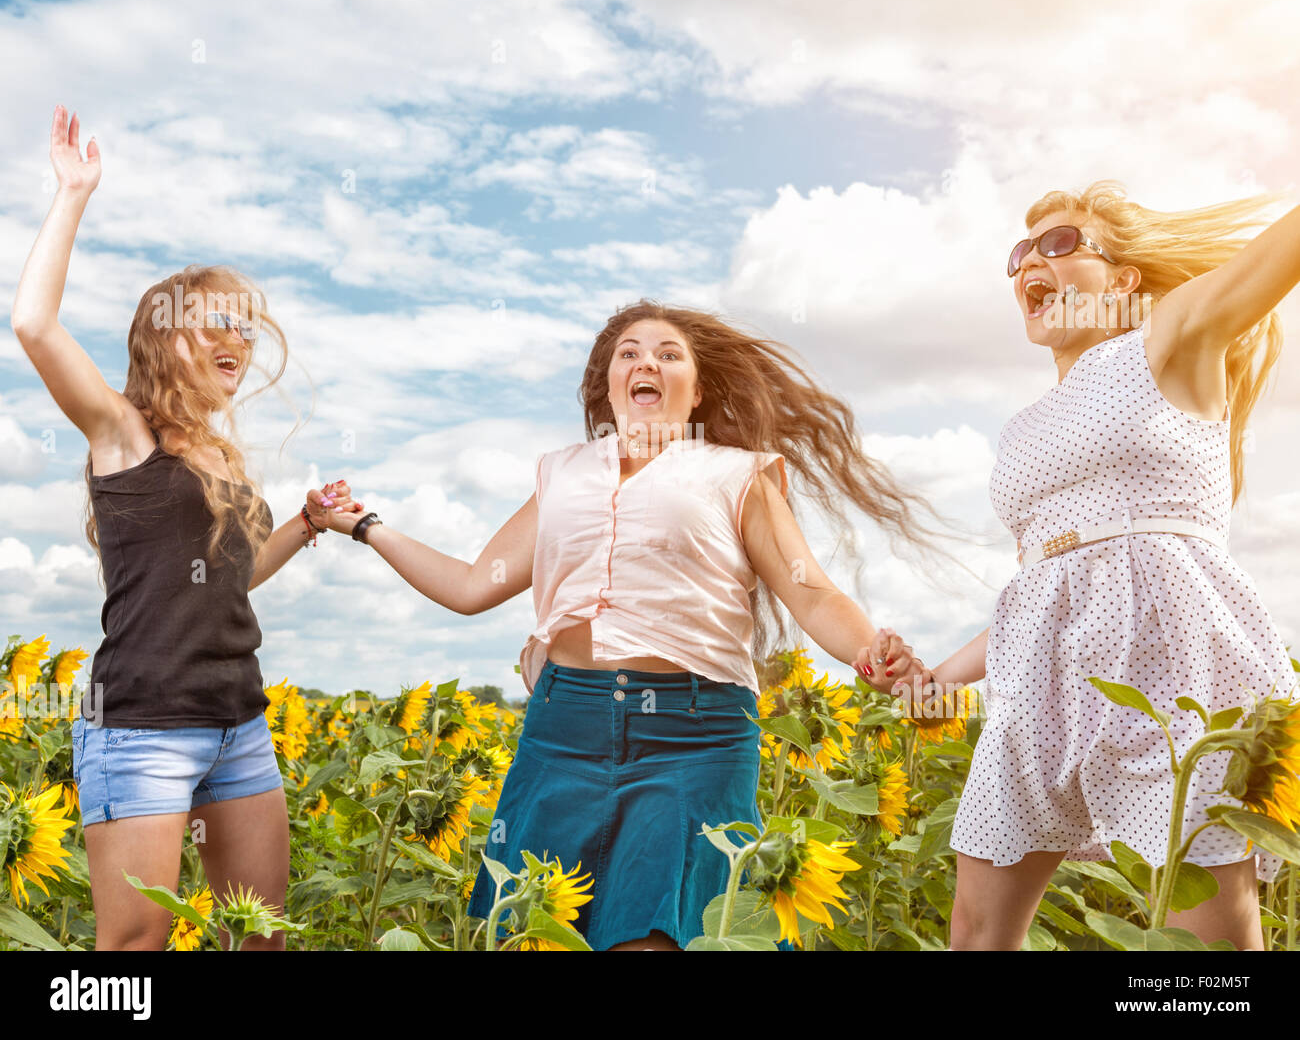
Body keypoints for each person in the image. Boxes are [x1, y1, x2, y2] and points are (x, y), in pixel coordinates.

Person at [318, 299, 942, 950]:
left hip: (693, 736)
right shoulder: (562, 473)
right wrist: (365, 526)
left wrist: (871, 653)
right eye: (629, 352)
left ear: (697, 390)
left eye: (669, 353)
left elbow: (810, 589)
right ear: (609, 384)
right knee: (540, 931)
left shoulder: (736, 473)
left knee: (655, 938)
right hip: (563, 729)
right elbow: (473, 584)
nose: (647, 360)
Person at [877, 181, 1299, 950]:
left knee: (1203, 937)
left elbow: (1277, 254)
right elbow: (1040, 582)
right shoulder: (1023, 429)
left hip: (1175, 662)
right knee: (975, 929)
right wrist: (937, 678)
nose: (1030, 262)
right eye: (1020, 253)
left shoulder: (1170, 338)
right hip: (1041, 678)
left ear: (1125, 278)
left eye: (1061, 243)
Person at [10, 106, 360, 950]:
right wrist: (73, 193)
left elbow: (232, 579)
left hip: (238, 724)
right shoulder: (122, 434)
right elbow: (32, 325)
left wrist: (308, 524)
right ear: (165, 339)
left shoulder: (230, 463)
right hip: (140, 726)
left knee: (262, 939)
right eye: (217, 321)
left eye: (246, 324)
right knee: (135, 953)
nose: (238, 337)